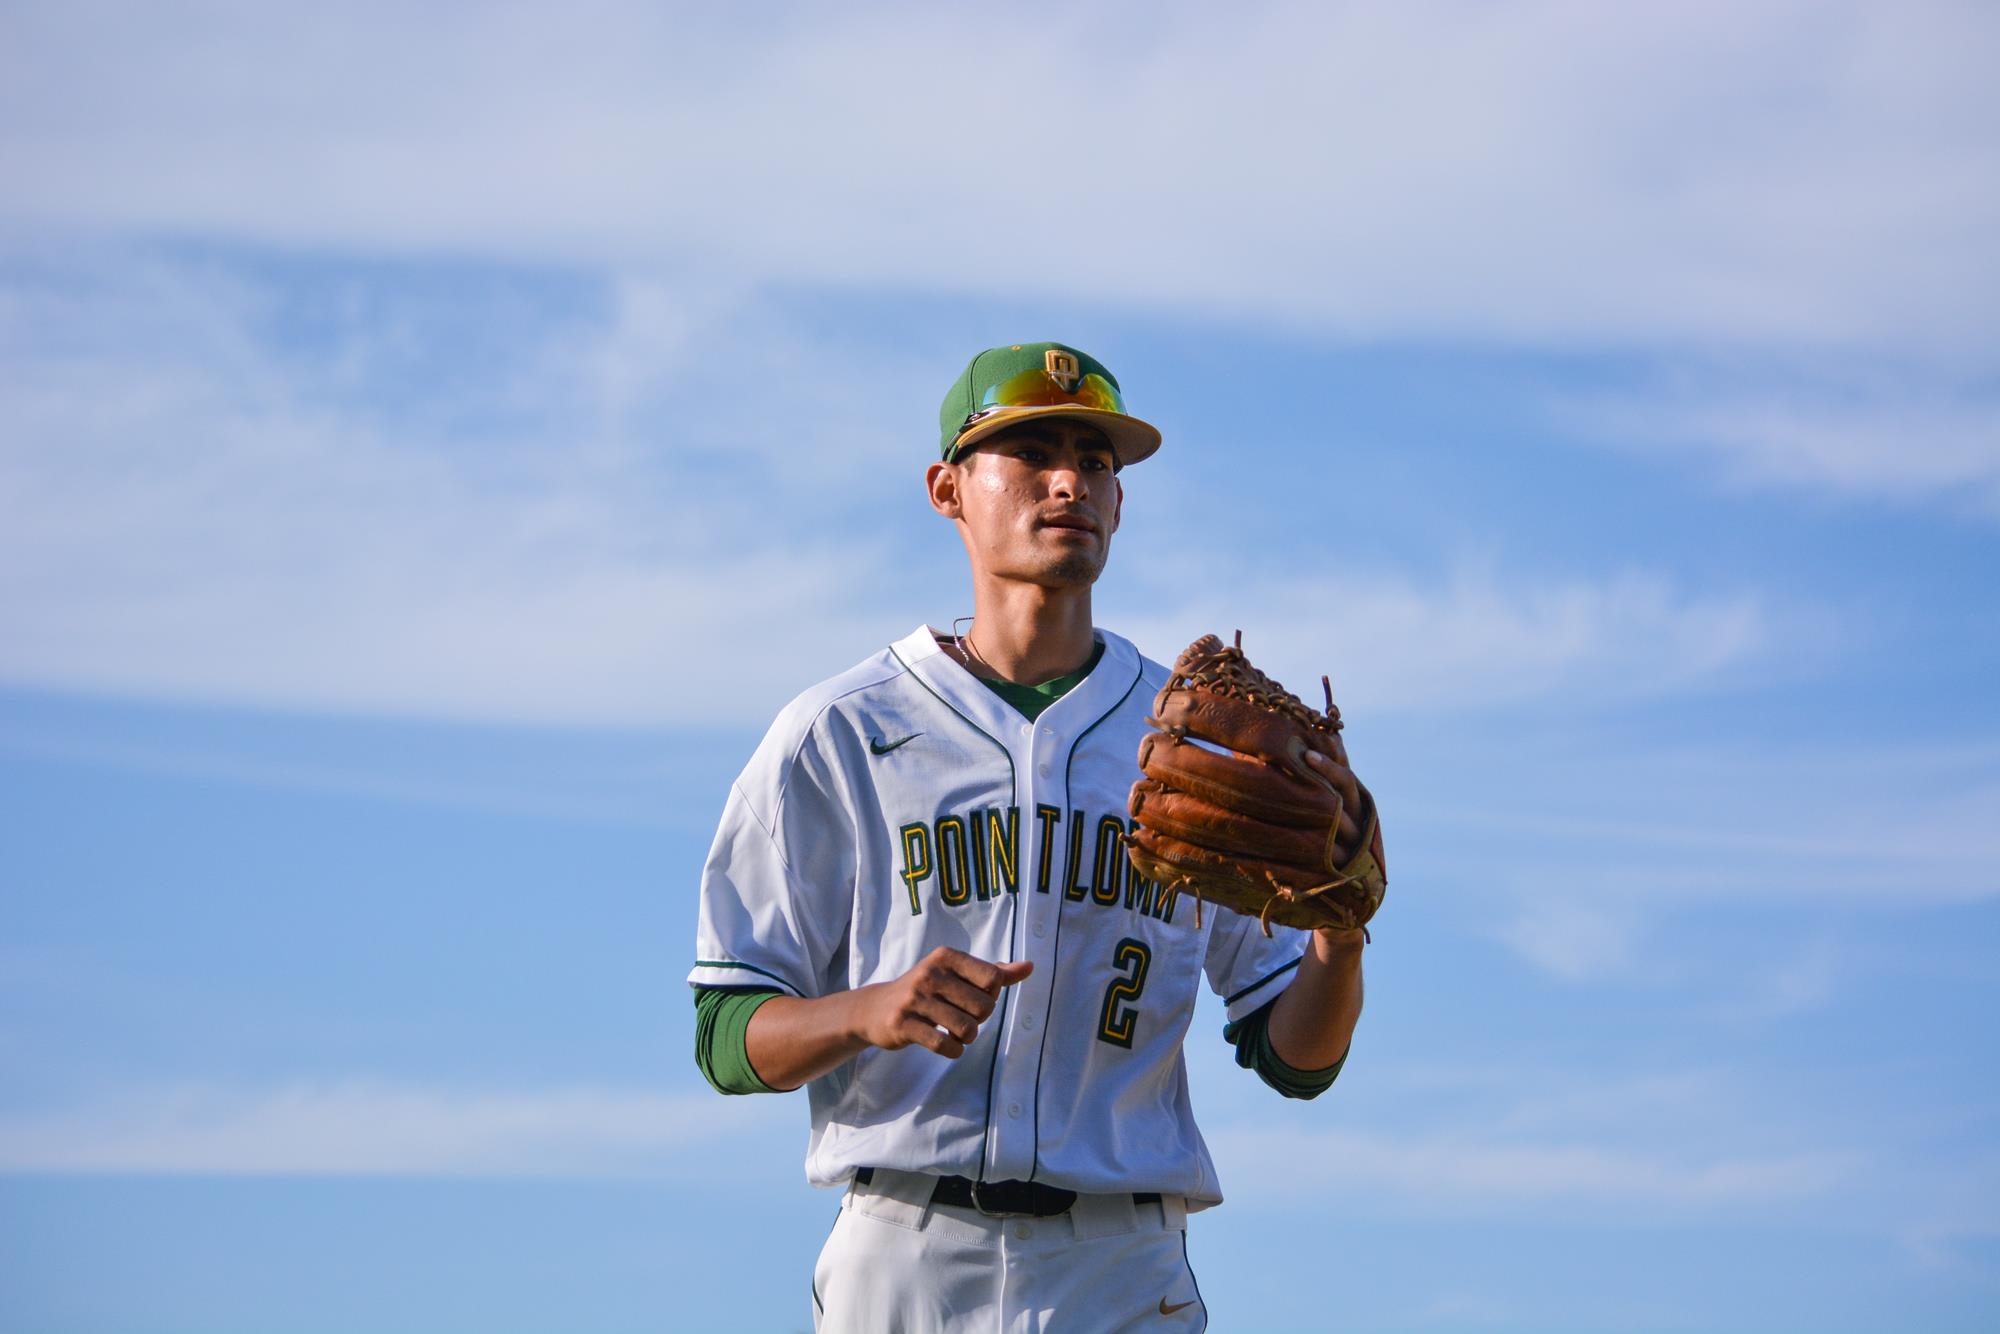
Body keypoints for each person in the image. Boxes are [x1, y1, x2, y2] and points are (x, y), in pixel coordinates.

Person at [689, 341, 1370, 1332]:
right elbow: (723, 1031)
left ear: (1120, 503)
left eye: (1095, 462)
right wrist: (865, 1010)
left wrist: (1338, 941)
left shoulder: (1189, 740)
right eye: (1029, 452)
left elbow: (1293, 1055)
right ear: (946, 488)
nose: (1068, 482)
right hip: (904, 1250)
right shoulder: (840, 729)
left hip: (1124, 1260)